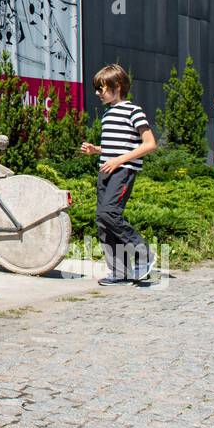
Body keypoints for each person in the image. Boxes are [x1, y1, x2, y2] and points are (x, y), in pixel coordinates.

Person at [80, 63, 158, 285]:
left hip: (123, 171)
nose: (97, 93)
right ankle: (120, 272)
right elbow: (118, 146)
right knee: (103, 221)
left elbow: (150, 144)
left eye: (101, 88)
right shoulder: (108, 114)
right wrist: (97, 150)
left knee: (109, 213)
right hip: (106, 170)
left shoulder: (134, 111)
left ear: (118, 86)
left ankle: (144, 254)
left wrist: (119, 161)